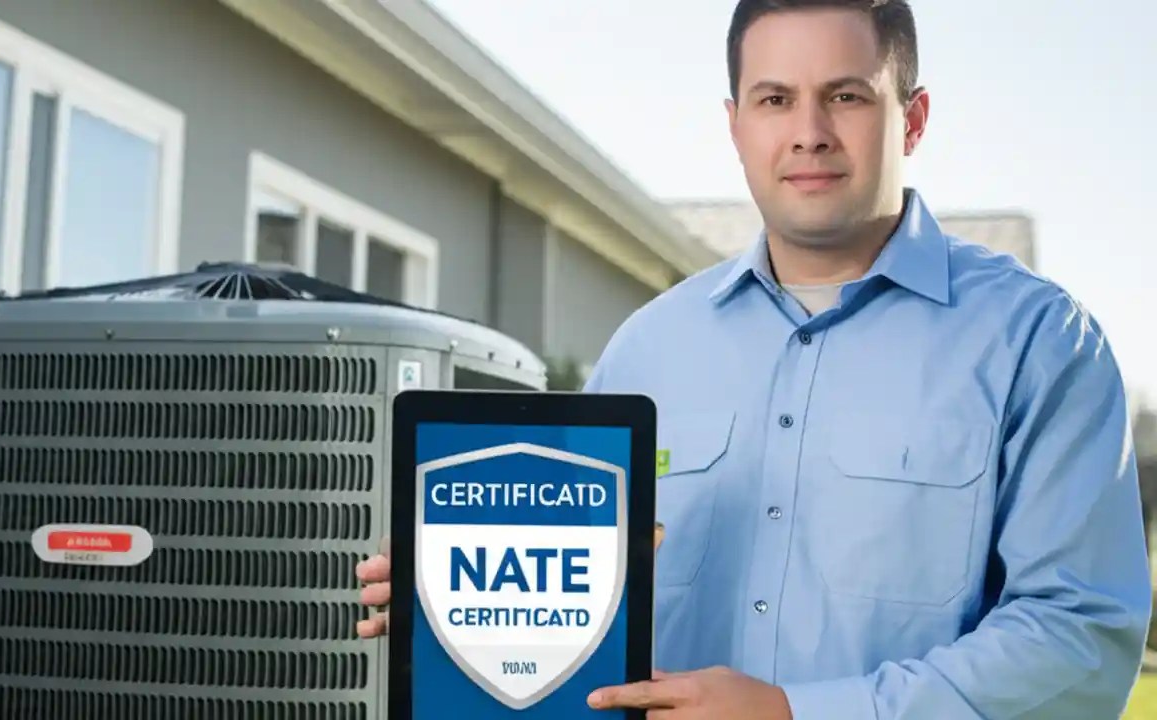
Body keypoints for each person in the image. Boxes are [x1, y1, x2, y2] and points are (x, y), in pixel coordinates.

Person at [355, 0, 1154, 717]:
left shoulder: (1039, 343)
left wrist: (798, 715)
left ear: (912, 120)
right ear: (737, 124)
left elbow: (1077, 640)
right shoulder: (647, 347)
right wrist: (456, 595)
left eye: (845, 95)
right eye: (776, 99)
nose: (808, 130)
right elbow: (569, 588)